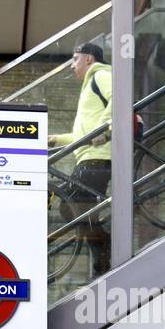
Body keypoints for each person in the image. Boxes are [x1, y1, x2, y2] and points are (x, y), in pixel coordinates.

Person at [48, 41, 114, 276]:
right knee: (78, 210)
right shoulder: (89, 86)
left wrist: (104, 131)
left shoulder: (101, 76)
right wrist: (56, 139)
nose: (72, 66)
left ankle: (104, 246)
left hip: (97, 157)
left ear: (89, 59)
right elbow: (81, 136)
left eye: (75, 59)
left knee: (70, 206)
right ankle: (101, 257)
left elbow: (119, 100)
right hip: (88, 156)